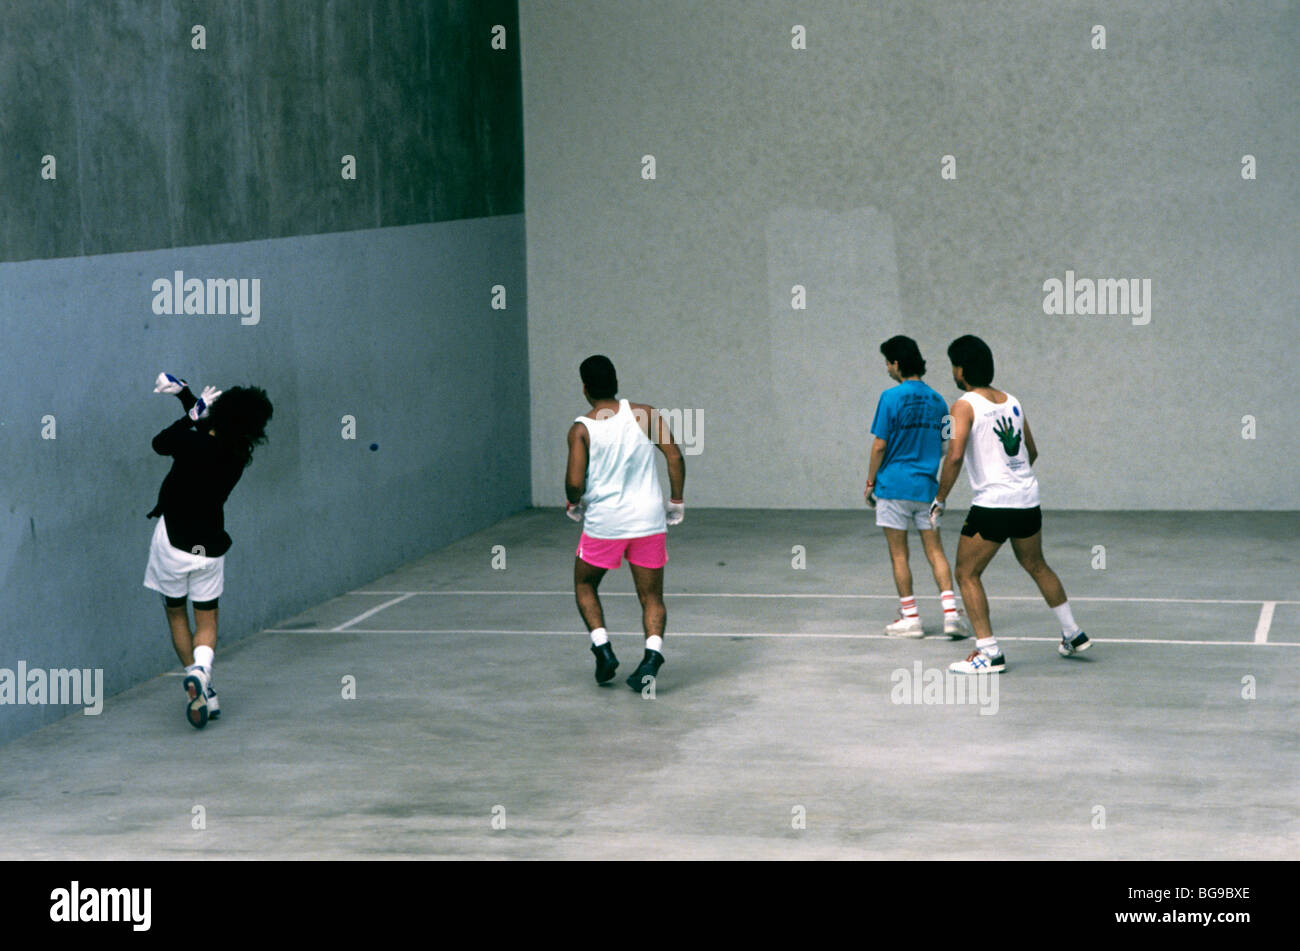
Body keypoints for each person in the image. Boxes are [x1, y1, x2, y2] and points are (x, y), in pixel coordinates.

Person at [930, 336, 1091, 673]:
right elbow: (1030, 451)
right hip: (1027, 499)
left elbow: (955, 455)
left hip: (993, 504)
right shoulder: (1012, 401)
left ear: (960, 370)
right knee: (1036, 564)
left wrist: (940, 498)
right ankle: (1072, 633)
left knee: (966, 573)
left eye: (953, 366)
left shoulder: (963, 405)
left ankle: (989, 653)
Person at [144, 372, 272, 727]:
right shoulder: (237, 454)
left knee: (176, 613)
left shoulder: (193, 442)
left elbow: (161, 442)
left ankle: (197, 676)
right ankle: (204, 682)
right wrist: (186, 396)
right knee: (207, 617)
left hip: (172, 542)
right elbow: (206, 433)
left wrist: (191, 411)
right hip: (209, 547)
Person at [565, 356, 685, 690]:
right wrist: (676, 502)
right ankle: (652, 656)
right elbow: (674, 456)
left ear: (585, 388)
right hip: (648, 520)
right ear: (616, 382)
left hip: (606, 524)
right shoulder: (645, 414)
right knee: (651, 596)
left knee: (585, 583)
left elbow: (575, 483)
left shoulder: (581, 429)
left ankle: (603, 648)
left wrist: (574, 503)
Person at [865, 335, 967, 638]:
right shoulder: (940, 401)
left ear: (896, 363)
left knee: (899, 555)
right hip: (926, 488)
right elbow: (947, 444)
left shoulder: (889, 397)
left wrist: (871, 482)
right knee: (935, 551)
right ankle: (951, 615)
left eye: (887, 362)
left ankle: (910, 618)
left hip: (893, 487)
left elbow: (879, 445)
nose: (886, 369)